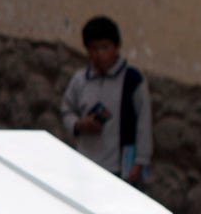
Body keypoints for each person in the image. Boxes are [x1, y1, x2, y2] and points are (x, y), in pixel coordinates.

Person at [61, 16, 153, 183]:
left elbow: (143, 122)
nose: (99, 54)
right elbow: (67, 109)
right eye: (93, 49)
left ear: (116, 47)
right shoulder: (80, 80)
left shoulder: (132, 80)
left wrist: (140, 161)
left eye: (105, 47)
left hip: (119, 167)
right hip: (86, 164)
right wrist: (79, 124)